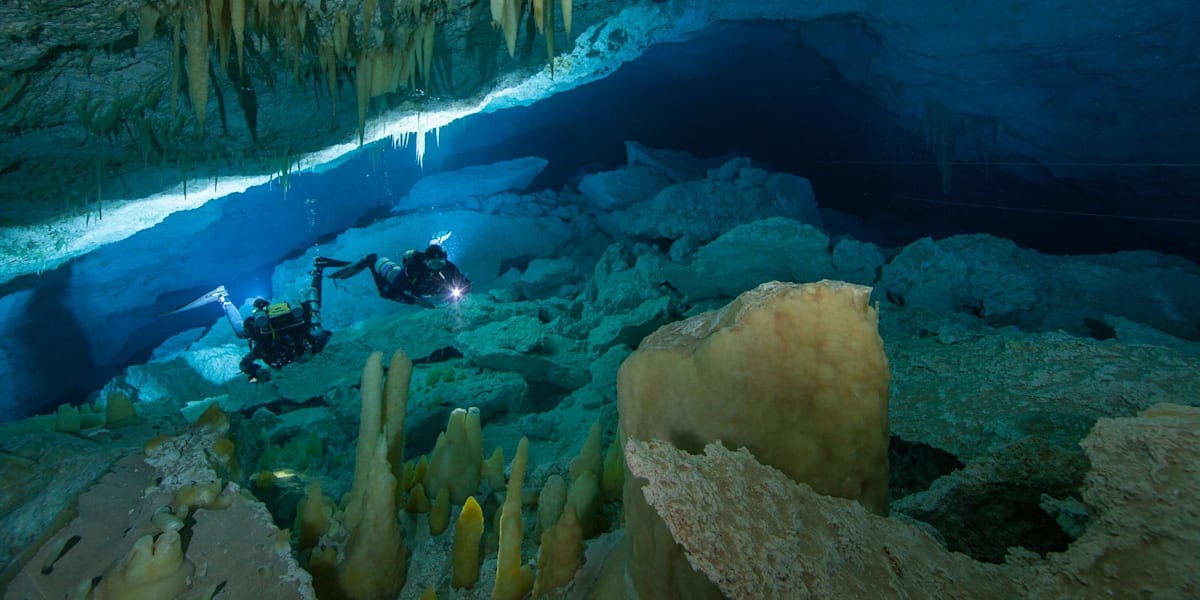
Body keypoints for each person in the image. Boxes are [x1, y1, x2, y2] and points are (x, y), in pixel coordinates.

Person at [162, 256, 349, 382]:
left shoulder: (270, 345)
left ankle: (318, 269)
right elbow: (245, 364)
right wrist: (256, 372)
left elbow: (245, 364)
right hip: (288, 323)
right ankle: (223, 298)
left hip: (288, 323)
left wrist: (257, 373)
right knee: (243, 332)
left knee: (314, 315)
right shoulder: (274, 344)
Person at [329, 243, 471, 308]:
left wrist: (460, 293)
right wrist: (415, 301)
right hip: (401, 280)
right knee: (385, 292)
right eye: (432, 264)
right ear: (426, 261)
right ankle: (370, 261)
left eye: (440, 263)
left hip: (424, 289)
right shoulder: (413, 267)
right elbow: (393, 292)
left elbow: (463, 282)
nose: (437, 267)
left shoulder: (449, 267)